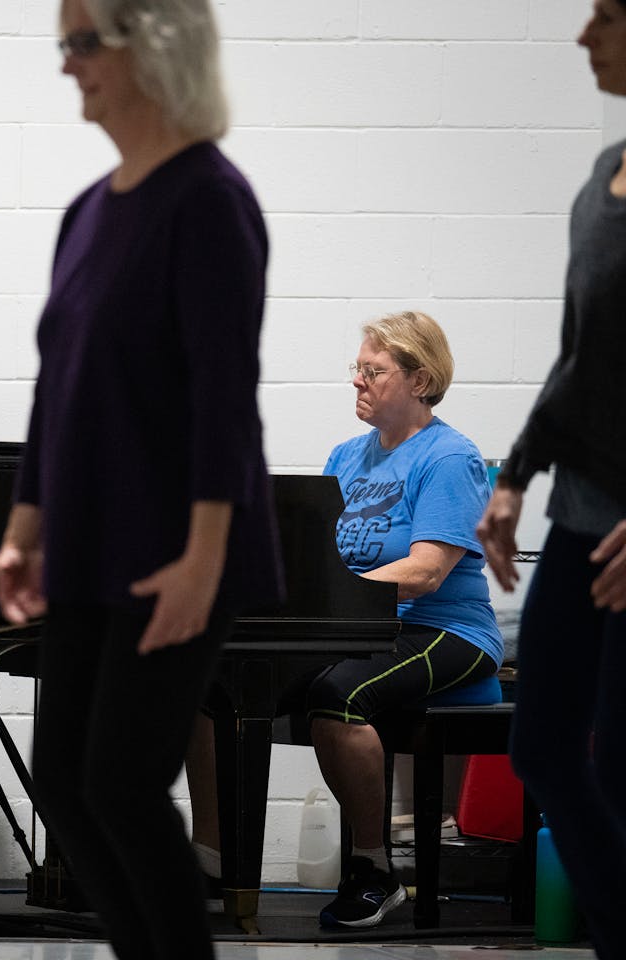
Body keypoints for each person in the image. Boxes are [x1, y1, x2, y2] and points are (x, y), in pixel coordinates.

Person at [0, 1, 283, 956]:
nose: (68, 65)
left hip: (176, 546)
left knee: (119, 780)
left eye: (85, 44)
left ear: (154, 47)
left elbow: (222, 393)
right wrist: (23, 530)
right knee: (68, 785)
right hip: (86, 542)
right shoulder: (89, 210)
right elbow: (57, 389)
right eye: (65, 43)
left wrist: (207, 554)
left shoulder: (209, 198)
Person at [183, 311, 503, 930]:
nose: (358, 381)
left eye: (373, 371)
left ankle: (373, 871)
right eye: (356, 369)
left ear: (420, 379)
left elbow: (426, 571)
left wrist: (337, 595)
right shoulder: (345, 457)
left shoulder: (450, 456)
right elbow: (317, 560)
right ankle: (211, 859)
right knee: (210, 684)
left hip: (444, 629)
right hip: (361, 627)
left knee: (341, 695)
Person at [476, 4, 626, 956]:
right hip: (582, 516)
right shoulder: (598, 186)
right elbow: (579, 362)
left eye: (606, 16)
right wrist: (513, 475)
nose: (582, 35)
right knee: (542, 752)